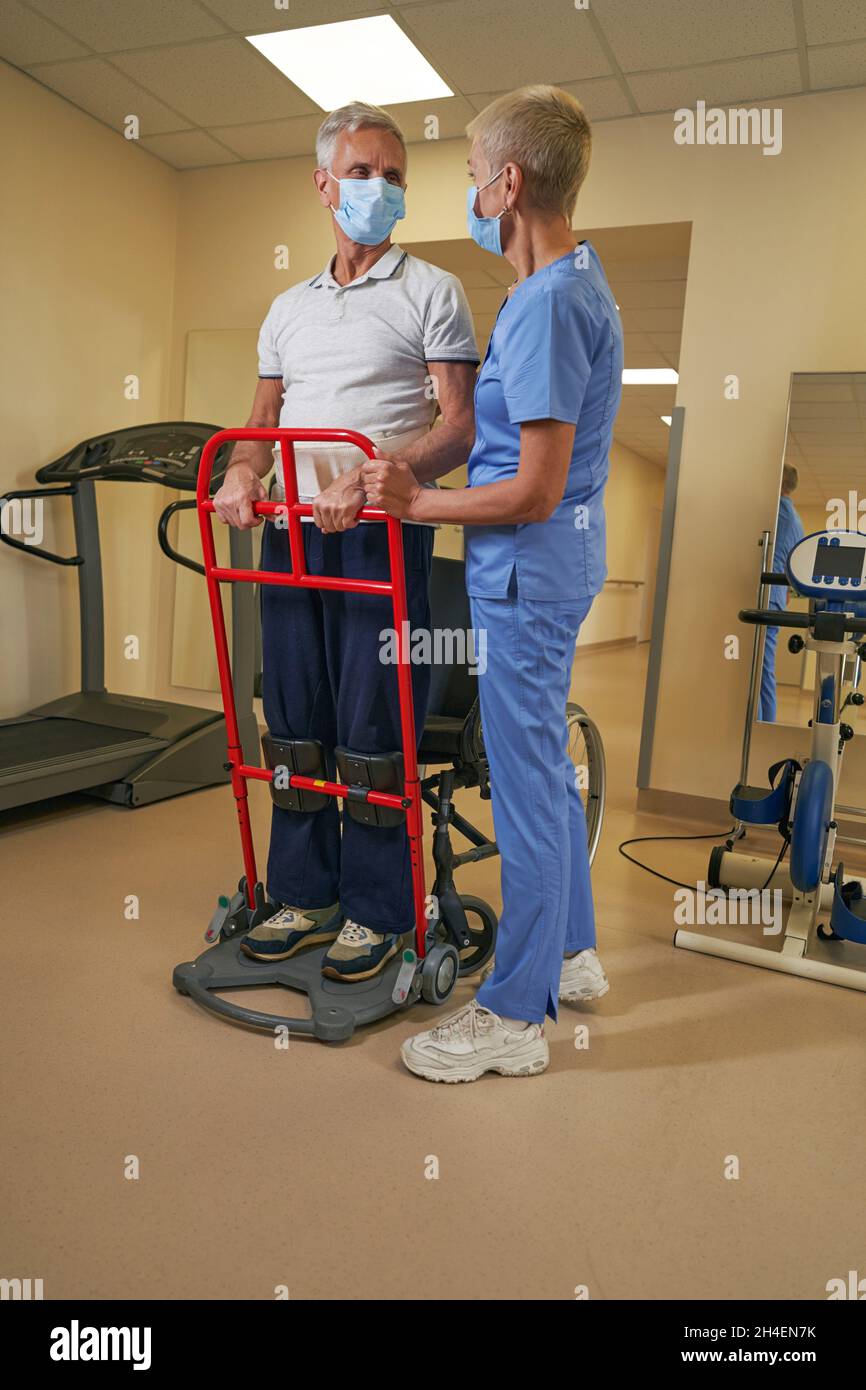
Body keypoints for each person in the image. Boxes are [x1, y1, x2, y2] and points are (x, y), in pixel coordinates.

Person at [362, 85, 623, 1081]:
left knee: (519, 787)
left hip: (528, 575)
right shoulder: (559, 286)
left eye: (473, 175)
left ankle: (513, 1014)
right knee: (547, 771)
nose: (469, 192)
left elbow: (535, 488)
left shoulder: (552, 301)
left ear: (507, 183)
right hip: (544, 571)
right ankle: (573, 952)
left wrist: (413, 505)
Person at [213, 102, 478, 981]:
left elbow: (457, 430)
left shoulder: (434, 291)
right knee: (294, 720)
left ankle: (376, 911)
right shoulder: (287, 309)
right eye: (365, 172)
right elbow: (260, 422)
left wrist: (368, 479)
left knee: (370, 724)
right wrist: (244, 474)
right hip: (288, 534)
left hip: (375, 536)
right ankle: (303, 893)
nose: (382, 188)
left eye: (396, 176)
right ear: (325, 184)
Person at [759, 464, 805, 722]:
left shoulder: (777, 512)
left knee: (760, 669)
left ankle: (764, 723)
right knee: (764, 668)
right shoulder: (795, 520)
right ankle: (765, 721)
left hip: (767, 599)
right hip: (776, 599)